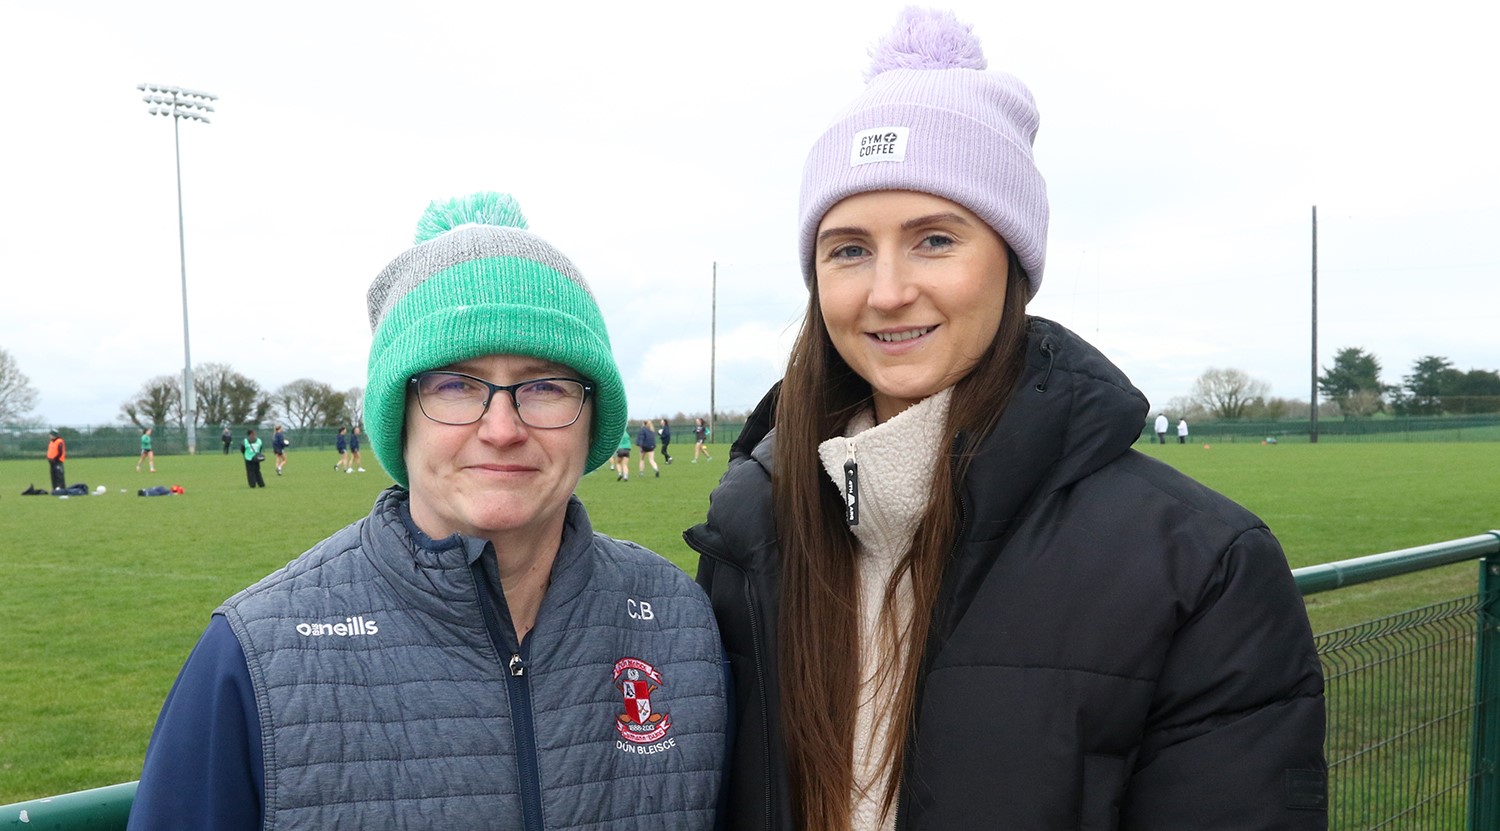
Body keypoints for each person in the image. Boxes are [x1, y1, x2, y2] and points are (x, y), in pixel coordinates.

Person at [686, 10, 1326, 830]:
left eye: (935, 239)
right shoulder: (753, 533)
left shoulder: (1202, 567)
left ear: (1013, 263)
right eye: (848, 248)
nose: (885, 290)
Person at [130, 191, 727, 830]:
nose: (502, 428)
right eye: (455, 385)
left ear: (593, 419)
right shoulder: (254, 652)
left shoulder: (681, 621)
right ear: (399, 418)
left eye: (545, 386)